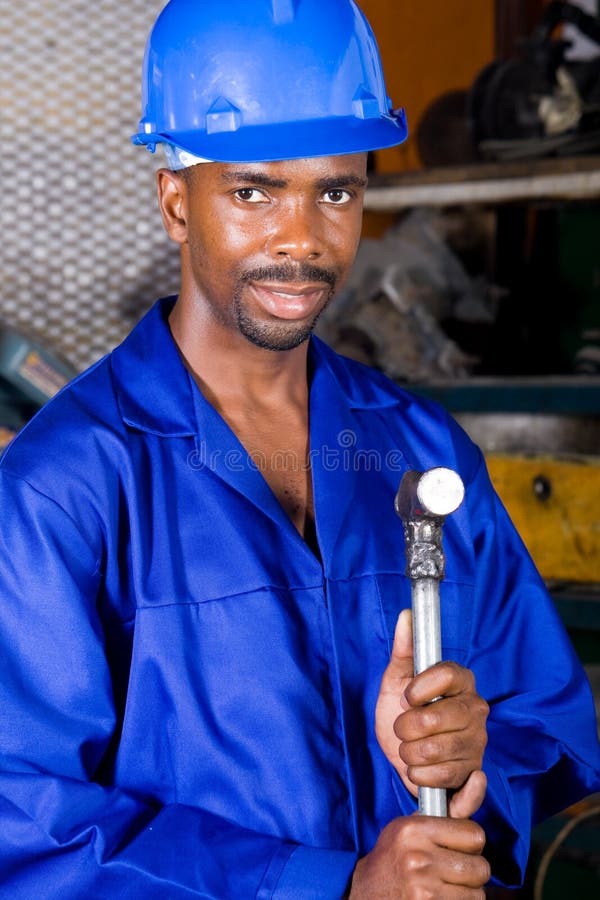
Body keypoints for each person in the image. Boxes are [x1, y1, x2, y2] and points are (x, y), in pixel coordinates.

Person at [0, 0, 598, 896]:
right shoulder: (66, 488)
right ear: (175, 201)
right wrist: (334, 886)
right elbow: (24, 820)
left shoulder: (421, 451)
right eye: (253, 190)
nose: (302, 240)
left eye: (337, 190)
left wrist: (476, 764)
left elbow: (548, 726)